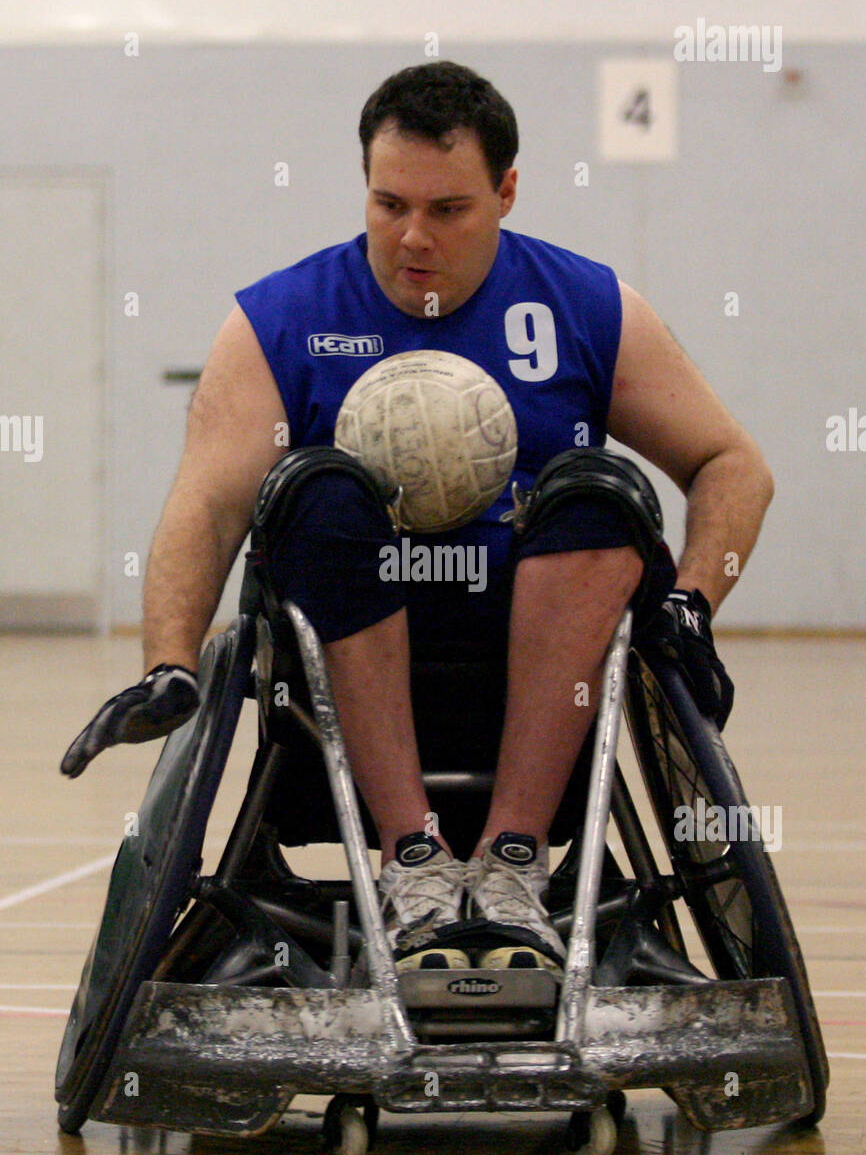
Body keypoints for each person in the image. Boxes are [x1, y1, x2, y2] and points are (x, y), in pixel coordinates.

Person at [61, 61, 773, 976]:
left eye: (448, 210)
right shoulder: (282, 320)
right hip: (343, 636)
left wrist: (691, 603)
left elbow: (734, 464)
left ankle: (515, 861)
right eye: (388, 203)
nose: (412, 237)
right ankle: (413, 862)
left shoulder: (585, 307)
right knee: (315, 493)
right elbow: (208, 502)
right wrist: (166, 660)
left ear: (507, 192)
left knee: (599, 492)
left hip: (542, 631)